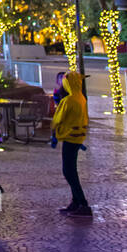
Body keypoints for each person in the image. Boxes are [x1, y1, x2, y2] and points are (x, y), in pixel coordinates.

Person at [52, 70, 91, 217]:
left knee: (69, 171)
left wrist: (54, 134)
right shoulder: (81, 98)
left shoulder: (68, 100)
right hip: (77, 138)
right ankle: (76, 202)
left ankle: (82, 203)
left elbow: (58, 119)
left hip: (70, 138)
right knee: (71, 170)